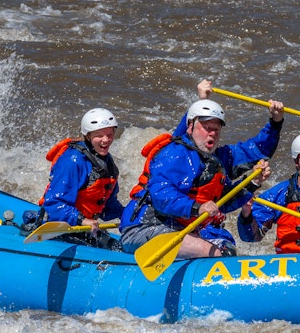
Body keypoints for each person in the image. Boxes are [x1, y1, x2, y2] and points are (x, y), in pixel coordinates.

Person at [119, 79, 281, 258]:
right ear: (190, 127)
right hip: (145, 227)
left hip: (179, 229)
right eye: (206, 127)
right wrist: (198, 208)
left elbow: (257, 151)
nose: (211, 133)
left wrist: (275, 122)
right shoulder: (174, 154)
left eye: (216, 129)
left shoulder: (219, 158)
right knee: (212, 253)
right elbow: (161, 195)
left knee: (227, 250)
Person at [30, 107, 124, 249]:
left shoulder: (106, 161)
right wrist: (82, 220)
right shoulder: (72, 161)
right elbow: (54, 203)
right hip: (63, 227)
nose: (106, 140)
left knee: (118, 247)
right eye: (99, 135)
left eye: (109, 135)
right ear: (88, 136)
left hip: (83, 229)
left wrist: (130, 215)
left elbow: (107, 207)